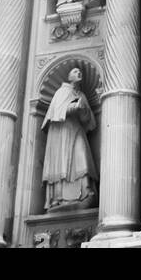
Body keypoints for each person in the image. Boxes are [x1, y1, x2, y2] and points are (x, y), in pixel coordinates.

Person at [42, 69, 97, 210]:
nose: (79, 73)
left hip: (77, 129)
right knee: (62, 162)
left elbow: (88, 119)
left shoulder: (82, 95)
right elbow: (57, 111)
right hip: (62, 131)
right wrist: (74, 107)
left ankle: (85, 191)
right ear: (69, 76)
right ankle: (60, 198)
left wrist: (83, 109)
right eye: (74, 71)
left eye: (80, 72)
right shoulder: (62, 92)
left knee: (82, 155)